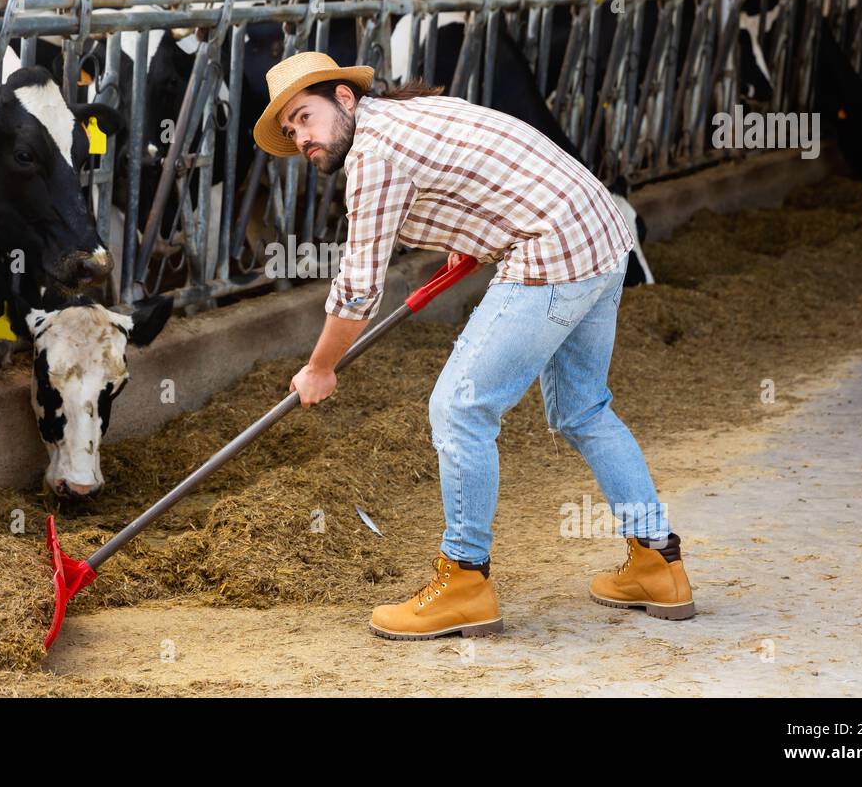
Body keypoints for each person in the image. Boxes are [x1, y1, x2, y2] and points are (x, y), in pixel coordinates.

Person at [252, 51, 696, 641]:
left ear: (345, 98)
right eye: (289, 131)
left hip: (551, 250)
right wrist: (474, 238)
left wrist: (320, 367)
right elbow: (479, 180)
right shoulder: (413, 115)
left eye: (305, 117)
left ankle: (465, 582)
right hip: (601, 233)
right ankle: (657, 564)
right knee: (584, 409)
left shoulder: (374, 156)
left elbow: (358, 288)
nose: (301, 137)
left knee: (460, 408)